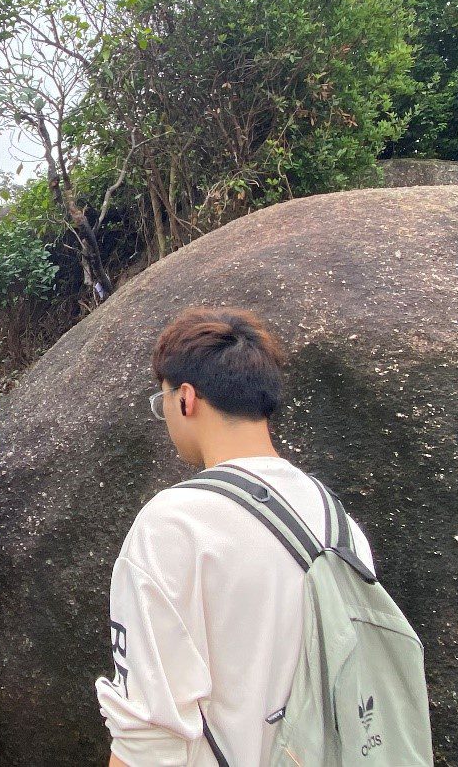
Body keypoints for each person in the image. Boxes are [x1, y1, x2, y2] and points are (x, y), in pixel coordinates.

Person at [96, 308, 381, 766]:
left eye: (163, 400)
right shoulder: (335, 518)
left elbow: (148, 733)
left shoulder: (173, 525)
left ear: (186, 398)